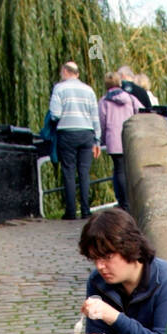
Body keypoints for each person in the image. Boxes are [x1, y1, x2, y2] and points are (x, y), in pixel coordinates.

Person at [48, 61, 101, 220]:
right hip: (86, 134)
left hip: (67, 133)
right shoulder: (89, 90)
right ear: (77, 73)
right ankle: (86, 210)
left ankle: (71, 211)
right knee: (84, 173)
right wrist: (97, 139)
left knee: (69, 172)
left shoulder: (59, 88)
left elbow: (54, 114)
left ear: (65, 71)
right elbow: (95, 117)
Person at [98, 73, 143, 212]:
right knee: (129, 169)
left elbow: (101, 122)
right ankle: (132, 199)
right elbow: (140, 113)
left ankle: (123, 202)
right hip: (129, 137)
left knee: (118, 170)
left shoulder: (104, 101)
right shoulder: (130, 98)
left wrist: (102, 139)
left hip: (114, 139)